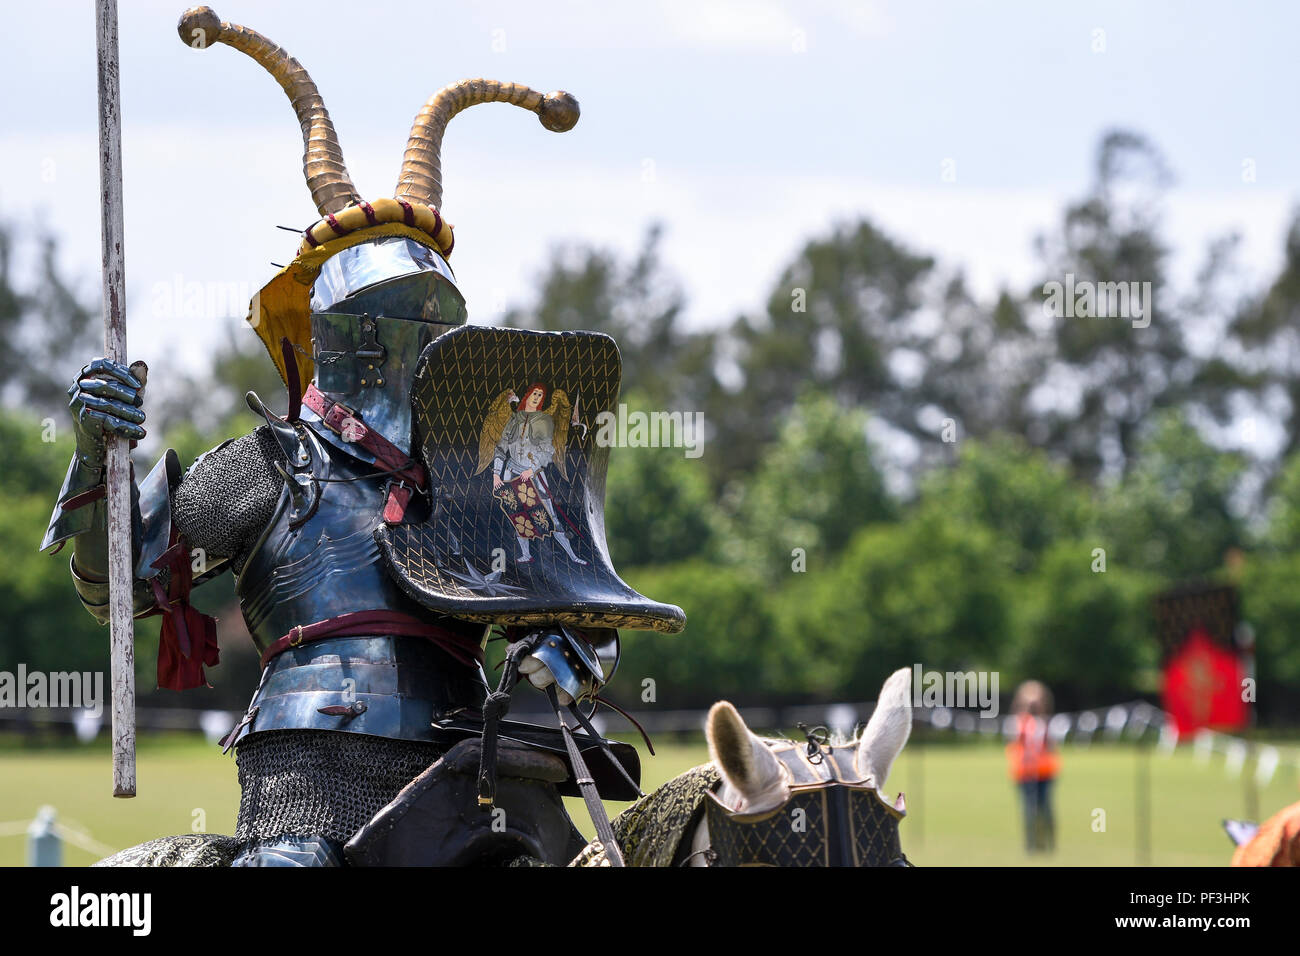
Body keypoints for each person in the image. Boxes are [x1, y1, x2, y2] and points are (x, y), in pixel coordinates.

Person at [40, 5, 682, 866]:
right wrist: (93, 448)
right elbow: (113, 588)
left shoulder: (482, 474)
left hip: (471, 767)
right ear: (339, 330)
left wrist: (569, 647)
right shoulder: (266, 468)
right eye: (388, 321)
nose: (410, 340)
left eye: (428, 321)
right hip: (309, 769)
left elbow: (570, 592)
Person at [1006, 680, 1060, 854]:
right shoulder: (1016, 723)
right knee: (1029, 809)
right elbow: (1013, 742)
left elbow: (1052, 745)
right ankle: (1031, 844)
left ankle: (1048, 842)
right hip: (1025, 772)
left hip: (1045, 772)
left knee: (1046, 808)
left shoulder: (1048, 722)